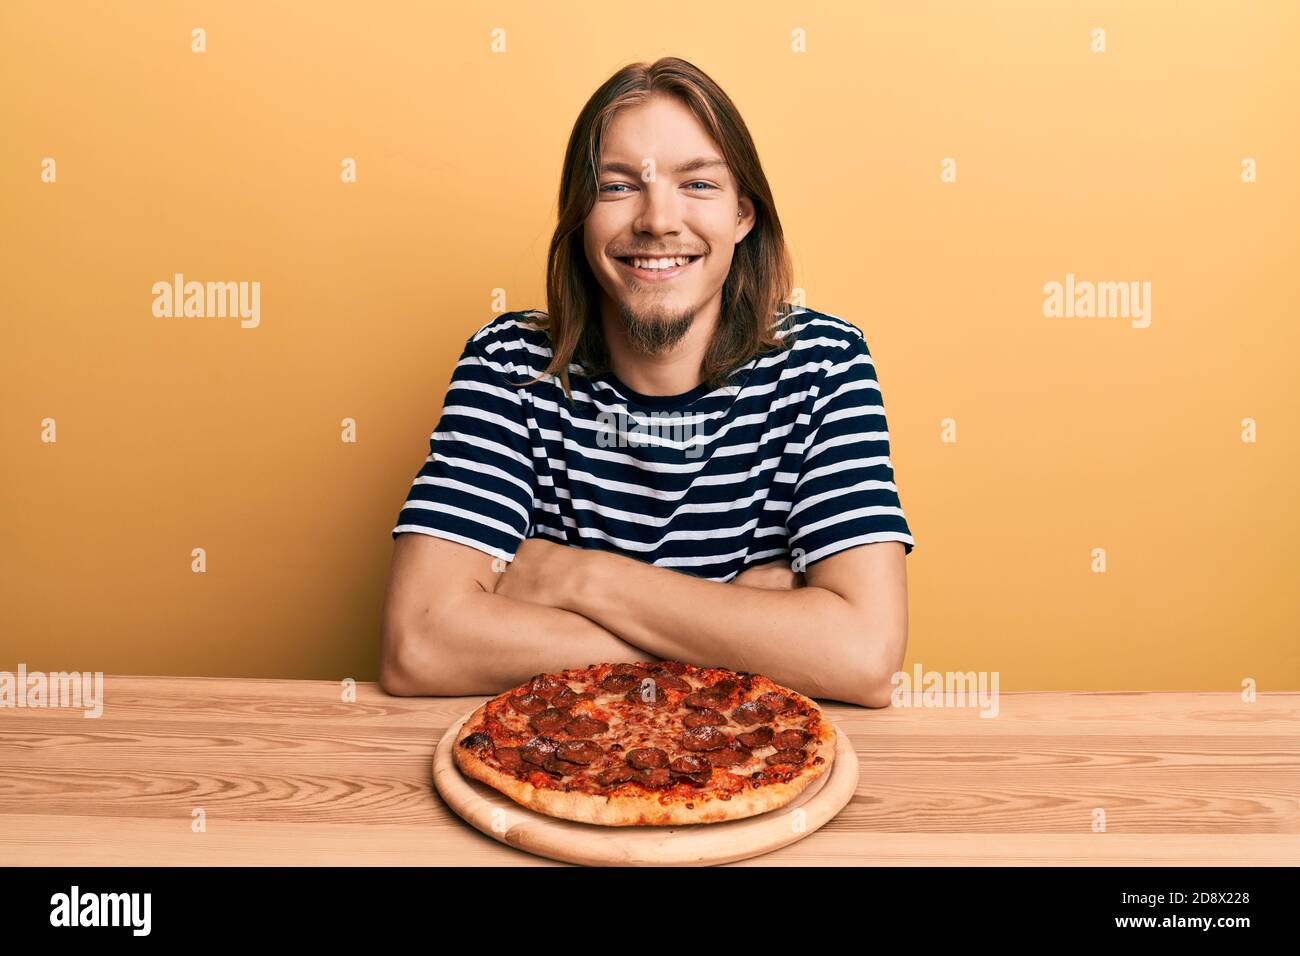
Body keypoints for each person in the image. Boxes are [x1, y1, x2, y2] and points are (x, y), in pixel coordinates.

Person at [379, 57, 914, 706]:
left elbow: (863, 657)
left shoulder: (824, 363)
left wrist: (582, 581)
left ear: (744, 214)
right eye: (618, 186)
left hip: (762, 770)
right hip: (561, 773)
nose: (658, 220)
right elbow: (421, 643)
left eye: (698, 185)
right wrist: (748, 625)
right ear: (580, 220)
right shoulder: (509, 365)